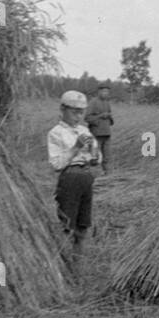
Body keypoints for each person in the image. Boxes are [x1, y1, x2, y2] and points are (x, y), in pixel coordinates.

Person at [49, 90, 102, 244]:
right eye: (74, 112)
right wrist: (75, 148)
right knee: (67, 223)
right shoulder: (56, 133)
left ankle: (78, 260)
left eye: (81, 113)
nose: (78, 117)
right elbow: (56, 164)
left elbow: (97, 160)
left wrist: (94, 152)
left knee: (83, 223)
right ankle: (64, 259)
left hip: (86, 176)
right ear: (63, 109)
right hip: (69, 176)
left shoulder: (85, 130)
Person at [84, 86, 114, 175]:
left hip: (107, 133)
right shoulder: (93, 102)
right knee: (95, 156)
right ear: (99, 92)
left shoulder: (107, 103)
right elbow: (87, 118)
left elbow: (111, 119)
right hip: (96, 134)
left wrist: (109, 116)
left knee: (107, 156)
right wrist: (101, 116)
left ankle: (108, 175)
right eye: (104, 91)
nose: (106, 93)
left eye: (107, 92)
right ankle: (93, 175)